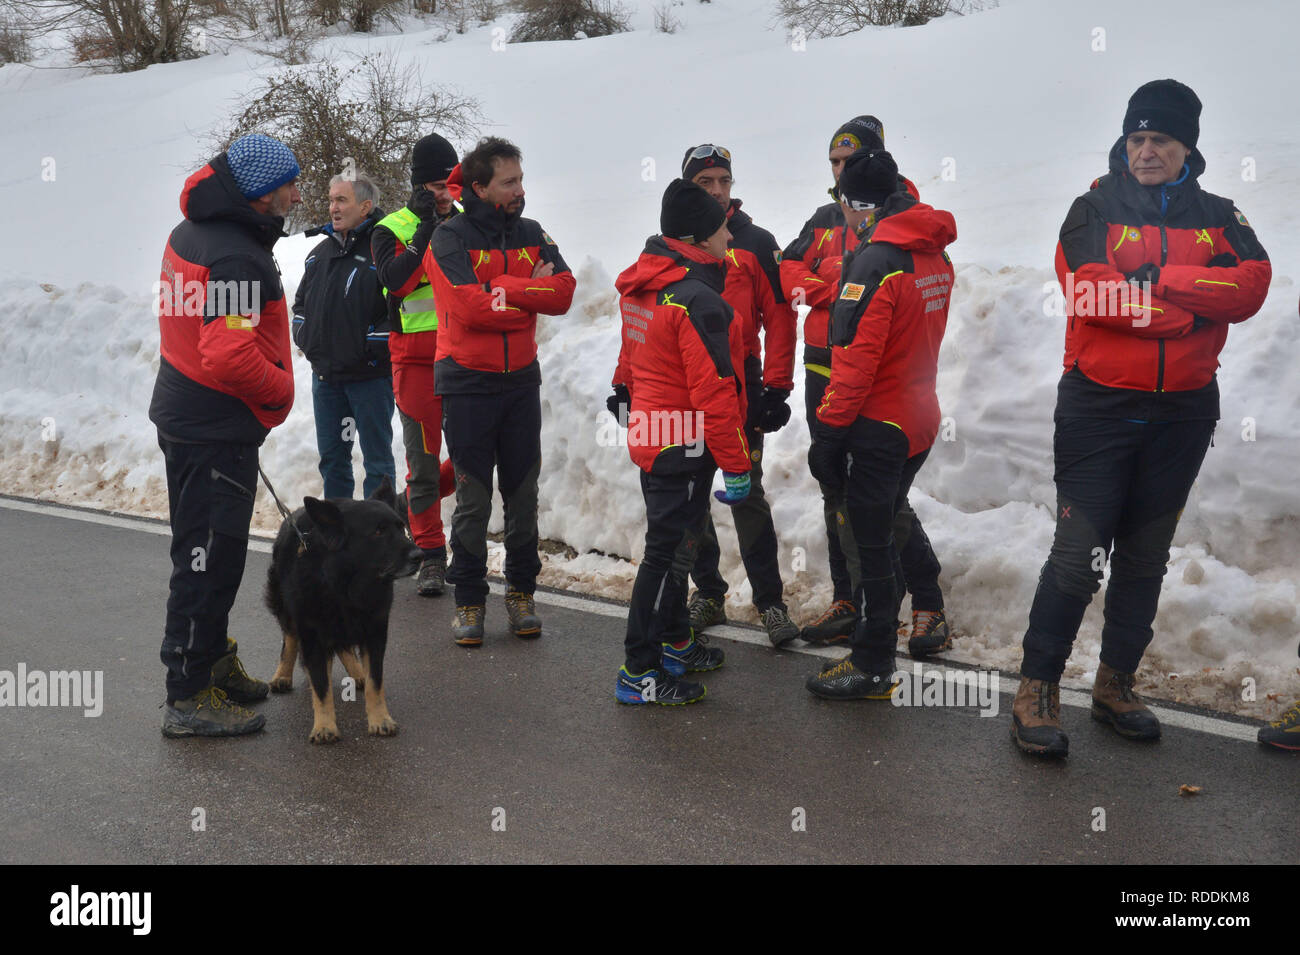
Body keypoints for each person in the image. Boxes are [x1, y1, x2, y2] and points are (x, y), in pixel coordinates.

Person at [1011, 79, 1271, 757]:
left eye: (1160, 138)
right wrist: (1188, 312)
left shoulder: (1221, 214)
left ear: (1187, 144)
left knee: (1146, 556)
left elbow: (1249, 286)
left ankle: (1115, 683)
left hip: (1184, 411)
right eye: (1137, 138)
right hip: (1100, 406)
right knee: (1078, 553)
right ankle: (1036, 686)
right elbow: (1091, 291)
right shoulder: (1093, 206)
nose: (1146, 150)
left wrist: (1158, 280)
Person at [150, 133, 301, 737]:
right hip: (212, 427)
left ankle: (211, 662)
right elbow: (226, 354)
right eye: (287, 182)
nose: (296, 190)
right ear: (259, 194)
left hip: (190, 417)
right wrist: (279, 392)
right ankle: (187, 695)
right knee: (207, 561)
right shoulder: (237, 255)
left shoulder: (191, 231)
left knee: (210, 553)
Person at [782, 116, 949, 655]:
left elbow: (884, 301)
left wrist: (843, 292)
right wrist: (823, 289)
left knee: (882, 503)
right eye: (832, 163)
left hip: (873, 383)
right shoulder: (828, 215)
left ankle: (922, 603)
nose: (838, 174)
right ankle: (847, 599)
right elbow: (786, 266)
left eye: (847, 163)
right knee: (839, 493)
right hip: (824, 365)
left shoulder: (902, 218)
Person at [424, 137, 575, 646]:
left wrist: (505, 289)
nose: (520, 190)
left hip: (520, 382)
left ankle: (521, 593)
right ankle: (468, 600)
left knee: (523, 491)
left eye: (521, 179)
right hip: (466, 382)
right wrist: (528, 288)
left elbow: (565, 293)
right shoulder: (449, 238)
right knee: (473, 495)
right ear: (480, 187)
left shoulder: (533, 232)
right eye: (509, 182)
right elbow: (468, 308)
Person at [612, 178, 751, 704]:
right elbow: (714, 392)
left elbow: (631, 355)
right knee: (665, 556)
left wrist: (621, 390)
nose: (729, 239)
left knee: (678, 548)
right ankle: (638, 670)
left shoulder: (644, 283)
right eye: (721, 230)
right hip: (684, 444)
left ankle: (673, 642)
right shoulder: (696, 300)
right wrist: (737, 466)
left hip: (656, 435)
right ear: (697, 239)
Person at [670, 144, 800, 647]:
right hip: (686, 389)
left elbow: (781, 319)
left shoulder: (755, 242)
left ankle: (770, 602)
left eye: (724, 180)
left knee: (749, 496)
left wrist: (778, 385)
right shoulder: (673, 244)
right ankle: (707, 591)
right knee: (693, 496)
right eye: (706, 183)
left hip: (741, 389)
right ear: (689, 188)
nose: (719, 191)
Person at [372, 133, 461, 596]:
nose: (444, 192)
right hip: (415, 362)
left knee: (472, 459)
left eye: (450, 182)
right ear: (417, 185)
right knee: (424, 464)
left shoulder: (471, 221)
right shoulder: (392, 227)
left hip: (465, 356)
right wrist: (428, 229)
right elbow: (399, 281)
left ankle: (413, 509)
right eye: (434, 184)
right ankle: (430, 555)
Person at [292, 172, 395, 500]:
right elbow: (300, 306)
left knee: (377, 464)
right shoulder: (318, 254)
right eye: (331, 200)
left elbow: (398, 309)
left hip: (370, 380)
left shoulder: (384, 250)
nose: (333, 207)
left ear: (365, 207)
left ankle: (379, 541)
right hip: (327, 381)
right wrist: (305, 336)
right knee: (334, 461)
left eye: (341, 200)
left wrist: (372, 347)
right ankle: (338, 538)